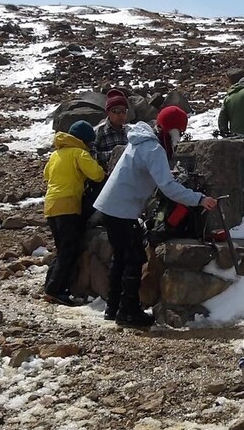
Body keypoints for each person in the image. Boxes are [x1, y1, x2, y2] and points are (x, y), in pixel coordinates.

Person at [93, 105, 217, 328]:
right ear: (171, 130)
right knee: (134, 257)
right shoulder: (154, 149)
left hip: (111, 206)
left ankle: (114, 307)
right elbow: (168, 187)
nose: (178, 139)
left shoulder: (141, 141)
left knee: (121, 258)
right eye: (178, 132)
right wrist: (199, 199)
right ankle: (128, 312)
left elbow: (150, 173)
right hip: (122, 210)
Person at [41, 120, 105, 306]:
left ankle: (50, 286)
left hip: (51, 205)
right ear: (84, 140)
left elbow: (47, 175)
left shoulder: (55, 155)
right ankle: (55, 290)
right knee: (69, 250)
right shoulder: (79, 153)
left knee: (62, 249)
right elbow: (97, 174)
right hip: (68, 205)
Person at [93, 89, 131, 172]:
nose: (121, 115)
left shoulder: (130, 131)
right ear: (108, 112)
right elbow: (91, 155)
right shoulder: (98, 131)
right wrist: (115, 154)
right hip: (105, 177)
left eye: (124, 111)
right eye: (116, 111)